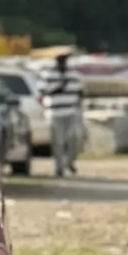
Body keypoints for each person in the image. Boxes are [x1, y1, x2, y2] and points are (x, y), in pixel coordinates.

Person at [37, 48, 85, 178]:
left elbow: (80, 92)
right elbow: (42, 92)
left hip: (71, 110)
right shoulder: (48, 75)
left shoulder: (74, 75)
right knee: (58, 141)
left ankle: (70, 162)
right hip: (55, 111)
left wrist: (79, 108)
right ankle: (59, 167)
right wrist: (57, 88)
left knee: (73, 138)